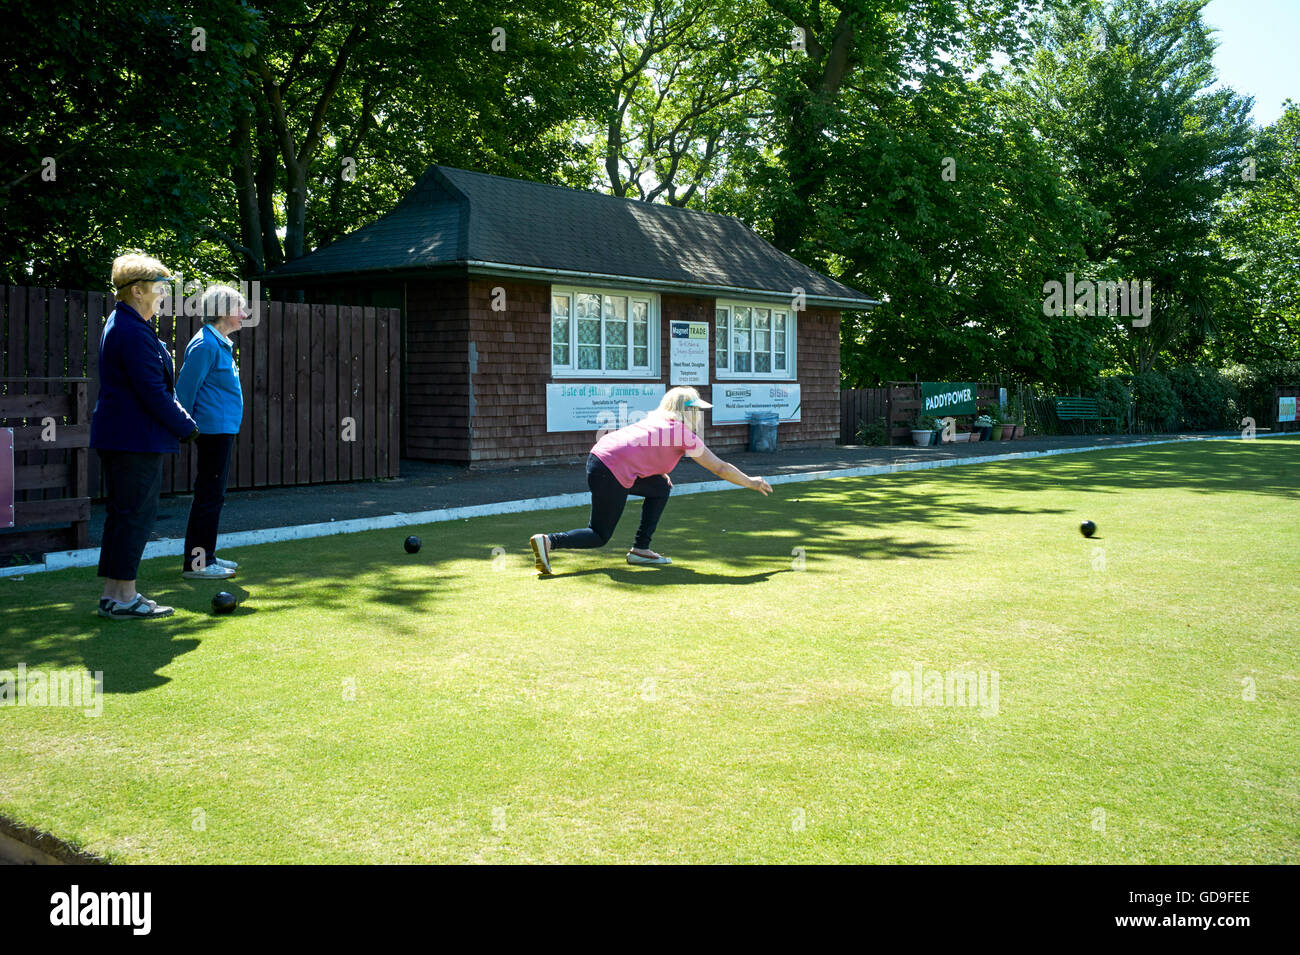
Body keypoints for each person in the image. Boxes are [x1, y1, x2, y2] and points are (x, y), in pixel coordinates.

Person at [530, 386, 772, 575]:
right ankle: (549, 541)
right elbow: (719, 467)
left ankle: (640, 549)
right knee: (599, 535)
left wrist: (658, 472)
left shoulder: (655, 421)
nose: (699, 416)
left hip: (600, 461)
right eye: (696, 410)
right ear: (686, 411)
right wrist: (751, 481)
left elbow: (640, 451)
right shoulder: (681, 433)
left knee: (659, 487)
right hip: (610, 470)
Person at [90, 253, 199, 619]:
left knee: (125, 515)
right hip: (133, 440)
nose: (166, 293)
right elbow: (152, 390)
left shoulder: (128, 324)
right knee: (133, 515)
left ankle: (116, 594)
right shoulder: (130, 329)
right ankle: (123, 598)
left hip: (128, 438)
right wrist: (188, 427)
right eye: (160, 287)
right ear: (137, 290)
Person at [175, 285, 248, 580]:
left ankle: (207, 556)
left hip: (222, 430)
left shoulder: (219, 343)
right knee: (208, 495)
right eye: (240, 308)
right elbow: (183, 391)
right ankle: (198, 564)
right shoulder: (205, 344)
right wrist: (184, 429)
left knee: (213, 495)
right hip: (210, 431)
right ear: (222, 311)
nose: (245, 314)